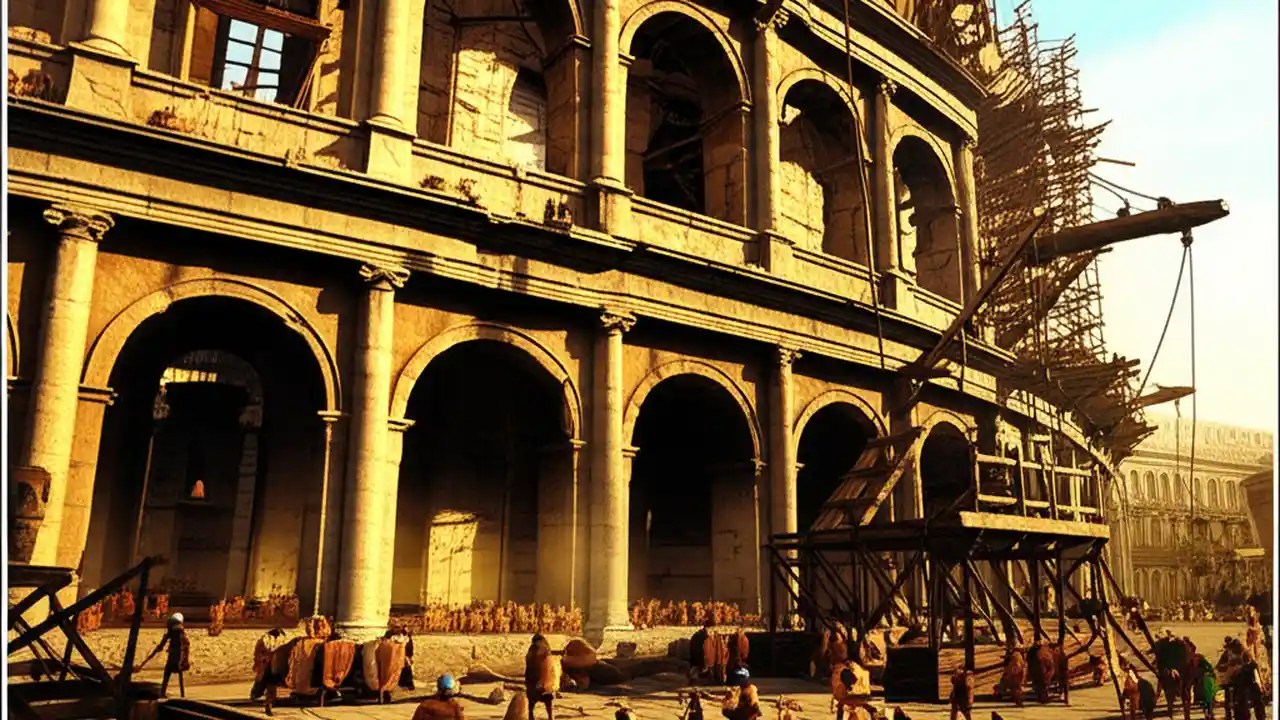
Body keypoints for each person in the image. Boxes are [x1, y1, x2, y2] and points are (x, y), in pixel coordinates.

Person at [138, 613, 191, 697]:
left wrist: (157, 649)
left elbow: (161, 646)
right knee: (176, 674)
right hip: (182, 662)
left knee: (167, 672)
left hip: (174, 660)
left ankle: (163, 692)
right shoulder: (182, 633)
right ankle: (182, 694)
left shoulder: (172, 633)